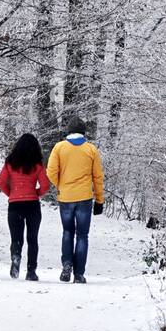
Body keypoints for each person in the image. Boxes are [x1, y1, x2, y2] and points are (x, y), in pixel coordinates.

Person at [46, 115, 105, 283]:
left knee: (67, 232)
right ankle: (79, 274)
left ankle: (66, 265)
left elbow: (50, 172)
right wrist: (99, 200)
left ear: (68, 131)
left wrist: (60, 186)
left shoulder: (59, 148)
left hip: (65, 197)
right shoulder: (91, 149)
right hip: (85, 198)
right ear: (84, 132)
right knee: (82, 235)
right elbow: (98, 177)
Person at [0, 133, 51, 280]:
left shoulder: (10, 163)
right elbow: (46, 185)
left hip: (15, 205)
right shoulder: (37, 165)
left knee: (16, 238)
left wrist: (12, 194)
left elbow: (0, 182)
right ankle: (31, 272)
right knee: (32, 239)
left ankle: (15, 258)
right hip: (32, 205)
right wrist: (36, 193)